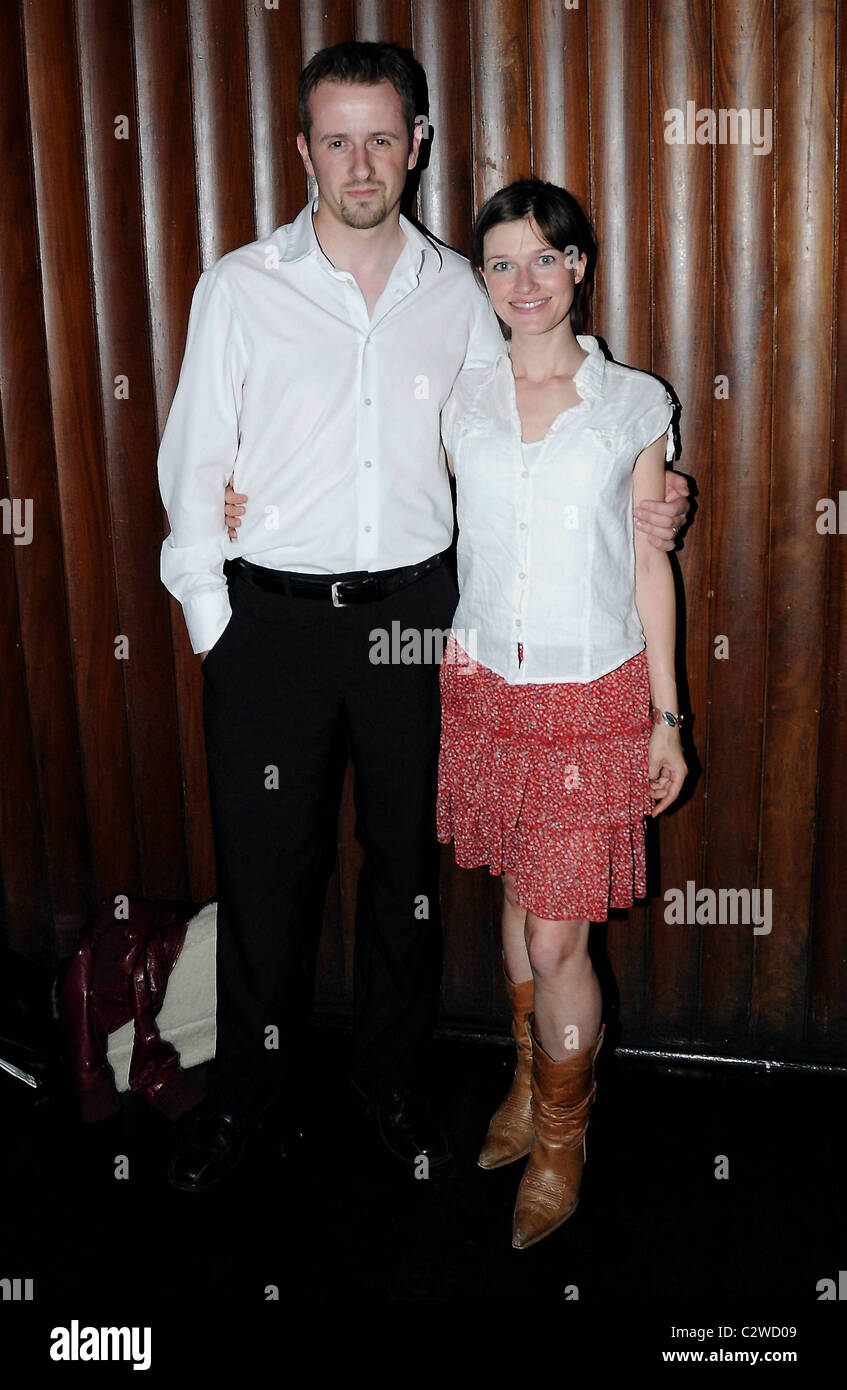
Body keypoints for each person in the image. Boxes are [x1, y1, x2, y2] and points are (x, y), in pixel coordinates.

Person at [161, 40, 690, 1194]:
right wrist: (219, 620)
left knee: (404, 869)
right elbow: (192, 461)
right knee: (265, 878)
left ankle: (391, 1085)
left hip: (417, 621)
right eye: (338, 138)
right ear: (303, 148)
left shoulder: (462, 287)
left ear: (419, 143)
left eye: (383, 137)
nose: (362, 161)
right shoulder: (239, 285)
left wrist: (652, 493)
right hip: (274, 629)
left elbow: (539, 430)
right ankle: (244, 1103)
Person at [433, 179, 688, 1248]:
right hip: (486, 681)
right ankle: (528, 1082)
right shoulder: (456, 395)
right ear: (481, 278)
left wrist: (665, 715)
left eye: (545, 258)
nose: (523, 282)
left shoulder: (635, 402)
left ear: (579, 265)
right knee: (512, 894)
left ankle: (561, 1134)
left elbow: (648, 558)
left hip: (594, 694)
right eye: (500, 262)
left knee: (556, 931)